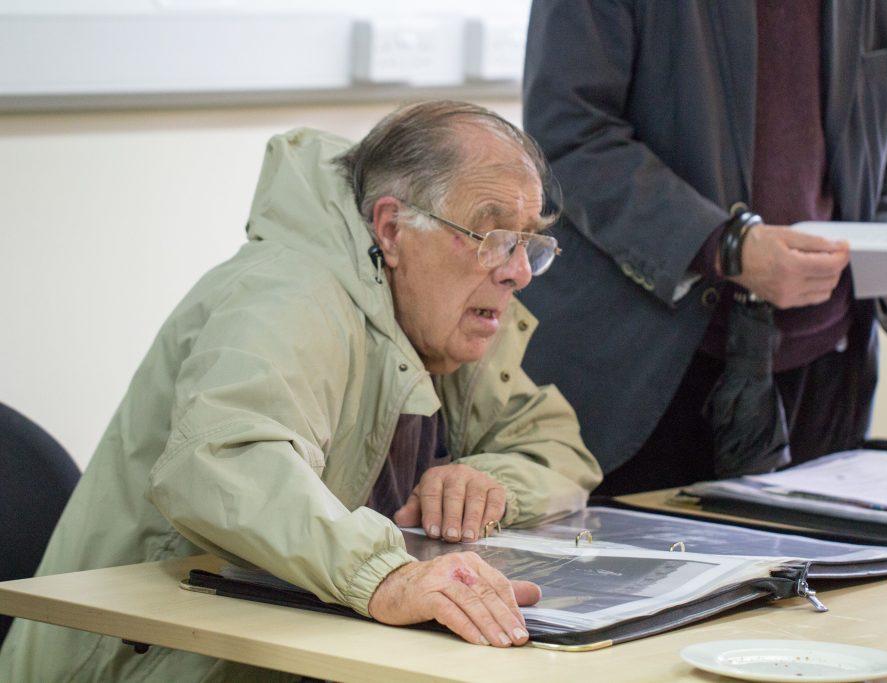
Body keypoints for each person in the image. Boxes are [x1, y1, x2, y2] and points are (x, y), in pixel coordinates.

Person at [0, 101, 602, 681]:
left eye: (528, 241)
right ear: (391, 229)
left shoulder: (444, 310)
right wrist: (384, 574)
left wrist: (490, 482)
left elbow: (556, 448)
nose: (517, 270)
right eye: (491, 234)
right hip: (145, 665)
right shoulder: (291, 293)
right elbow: (222, 462)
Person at [519, 1, 887, 494]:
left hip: (825, 379)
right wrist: (726, 246)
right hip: (640, 377)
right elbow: (571, 137)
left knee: (831, 572)